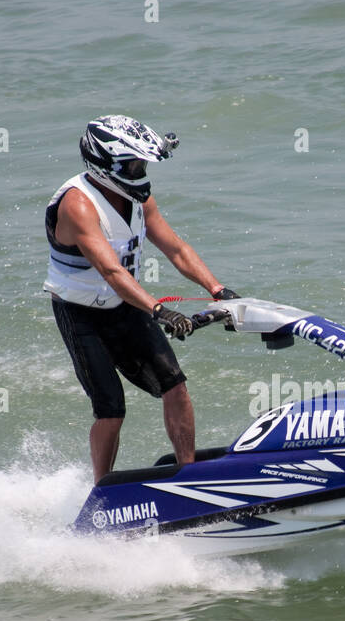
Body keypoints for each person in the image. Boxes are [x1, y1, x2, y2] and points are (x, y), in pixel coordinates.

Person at [43, 115, 237, 482]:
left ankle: (188, 476)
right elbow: (112, 272)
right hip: (81, 315)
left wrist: (217, 289)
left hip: (126, 306)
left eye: (142, 163)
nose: (140, 170)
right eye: (133, 164)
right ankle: (101, 491)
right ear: (105, 164)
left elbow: (176, 249)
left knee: (175, 386)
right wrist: (160, 311)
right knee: (111, 410)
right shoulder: (78, 205)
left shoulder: (137, 198)